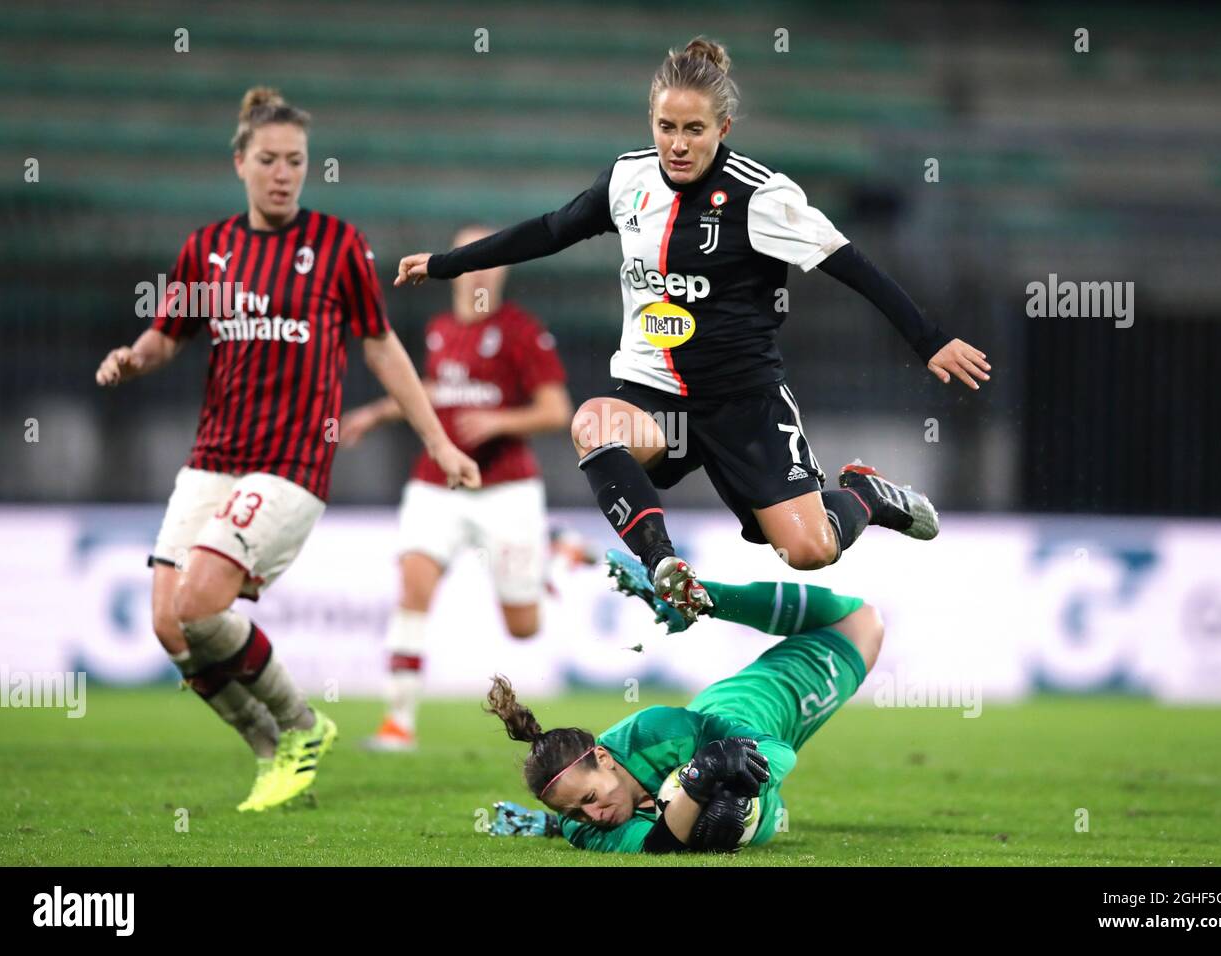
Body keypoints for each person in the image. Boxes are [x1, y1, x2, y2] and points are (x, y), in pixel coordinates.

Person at [393, 37, 992, 623]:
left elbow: (852, 265)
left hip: (743, 399)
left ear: (723, 129)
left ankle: (866, 494)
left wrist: (929, 339)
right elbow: (550, 230)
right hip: (657, 394)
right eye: (666, 127)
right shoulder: (628, 181)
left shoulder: (762, 196)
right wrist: (448, 263)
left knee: (808, 552)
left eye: (694, 130)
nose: (677, 145)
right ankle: (663, 564)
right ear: (650, 121)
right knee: (593, 424)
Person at [94, 87, 479, 810]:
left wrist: (440, 440)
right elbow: (167, 335)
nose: (283, 174)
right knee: (167, 622)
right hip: (213, 454)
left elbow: (383, 347)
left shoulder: (337, 246)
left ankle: (302, 724)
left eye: (295, 161)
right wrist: (132, 358)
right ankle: (267, 747)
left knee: (202, 603)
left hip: (293, 461)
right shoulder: (206, 249)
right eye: (268, 159)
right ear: (239, 162)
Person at [340, 226, 573, 751]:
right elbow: (428, 392)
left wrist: (497, 422)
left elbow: (557, 410)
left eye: (492, 260)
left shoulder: (520, 330)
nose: (483, 269)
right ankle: (398, 723)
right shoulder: (440, 329)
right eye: (472, 258)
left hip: (506, 490)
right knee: (413, 587)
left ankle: (543, 560)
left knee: (523, 627)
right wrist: (376, 414)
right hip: (437, 483)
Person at [484, 551, 882, 853]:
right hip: (710, 718)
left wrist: (721, 771)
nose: (593, 817)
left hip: (761, 703)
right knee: (749, 818)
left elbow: (780, 754)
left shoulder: (653, 730)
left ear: (604, 758)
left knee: (862, 622)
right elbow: (659, 848)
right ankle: (695, 599)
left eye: (589, 799)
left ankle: (703, 598)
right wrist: (699, 782)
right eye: (572, 813)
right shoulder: (582, 829)